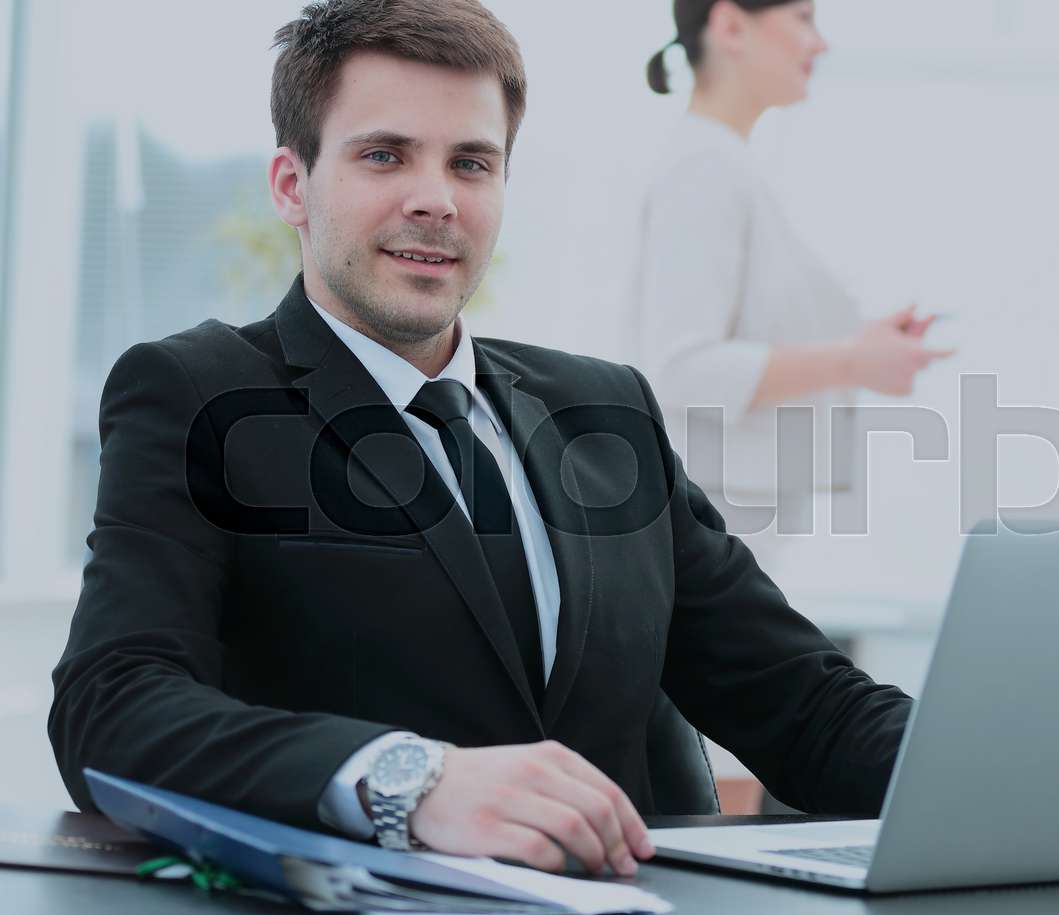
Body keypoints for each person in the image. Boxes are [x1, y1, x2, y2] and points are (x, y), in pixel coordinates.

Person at [49, 0, 911, 877]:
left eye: (471, 163)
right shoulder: (199, 392)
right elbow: (111, 707)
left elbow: (804, 705)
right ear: (290, 185)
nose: (437, 199)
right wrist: (410, 781)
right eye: (384, 155)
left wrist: (984, 764)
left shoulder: (605, 408)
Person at [633, 0, 950, 560]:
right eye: (804, 17)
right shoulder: (704, 169)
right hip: (714, 524)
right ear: (731, 25)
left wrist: (863, 345)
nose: (820, 43)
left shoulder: (726, 164)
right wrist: (853, 361)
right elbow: (682, 369)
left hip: (734, 524)